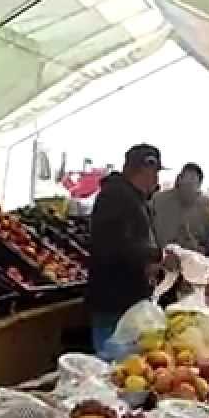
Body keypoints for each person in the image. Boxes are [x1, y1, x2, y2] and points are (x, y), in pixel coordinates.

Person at [86, 144, 163, 357]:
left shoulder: (131, 198)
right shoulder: (116, 198)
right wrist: (156, 256)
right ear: (145, 169)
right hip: (114, 299)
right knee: (111, 364)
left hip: (125, 299)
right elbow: (115, 247)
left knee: (124, 369)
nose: (157, 179)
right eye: (155, 172)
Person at [151, 163, 209, 254]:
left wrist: (203, 249)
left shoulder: (206, 204)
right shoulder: (159, 199)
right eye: (185, 177)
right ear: (179, 179)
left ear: (199, 185)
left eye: (192, 179)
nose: (187, 183)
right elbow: (147, 229)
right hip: (161, 257)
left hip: (193, 259)